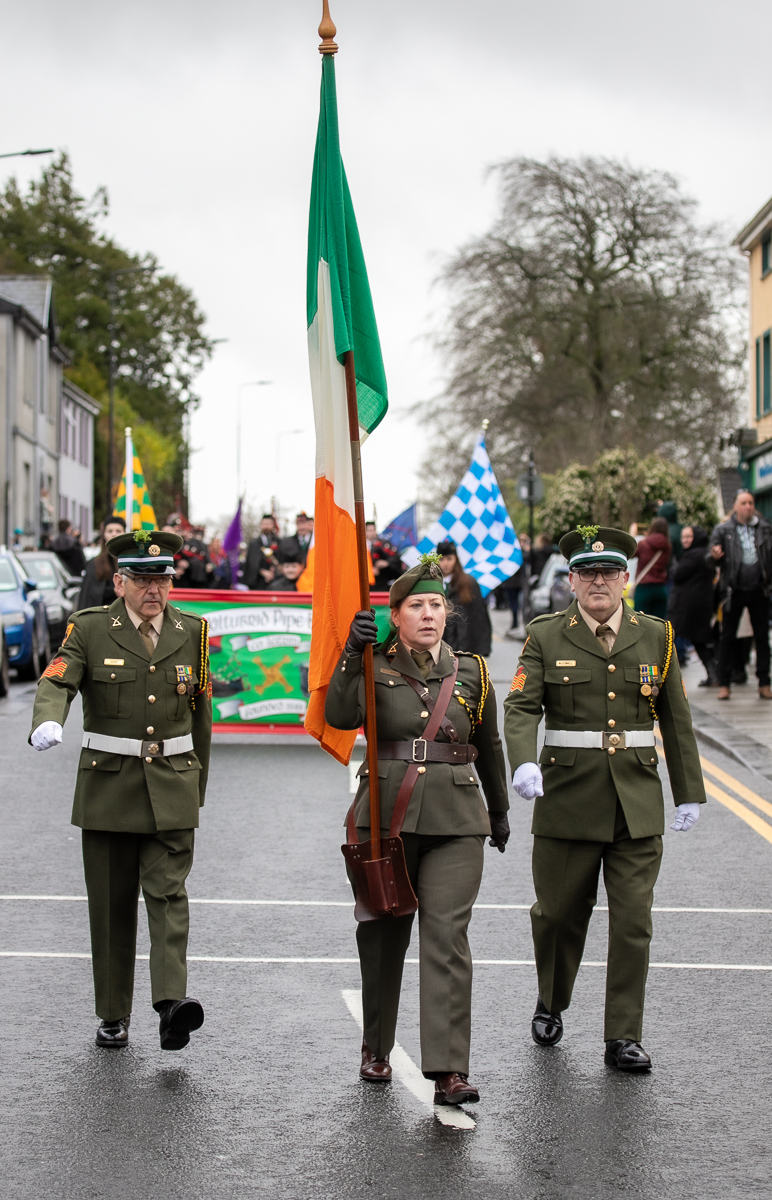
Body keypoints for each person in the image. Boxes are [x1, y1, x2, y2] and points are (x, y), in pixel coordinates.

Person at [504, 525, 705, 1071]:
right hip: (567, 796)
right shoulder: (546, 635)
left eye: (609, 573)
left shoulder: (657, 636)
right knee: (558, 915)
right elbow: (521, 707)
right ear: (571, 581)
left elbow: (677, 721)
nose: (599, 582)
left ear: (625, 580)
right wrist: (523, 760)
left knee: (634, 919)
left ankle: (623, 1034)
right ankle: (552, 999)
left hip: (636, 800)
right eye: (588, 573)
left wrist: (688, 792)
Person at [324, 556, 510, 1106]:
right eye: (416, 606)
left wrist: (498, 812)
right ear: (396, 615)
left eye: (436, 606)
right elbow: (338, 714)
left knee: (447, 936)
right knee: (383, 934)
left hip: (457, 821)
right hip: (386, 817)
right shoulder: (371, 660)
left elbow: (491, 746)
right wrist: (348, 656)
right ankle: (377, 1046)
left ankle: (449, 1070)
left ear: (447, 613)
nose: (428, 615)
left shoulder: (472, 670)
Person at [28, 529, 212, 1052]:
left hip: (172, 787)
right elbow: (57, 680)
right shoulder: (91, 629)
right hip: (109, 787)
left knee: (169, 896)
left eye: (162, 578)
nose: (154, 589)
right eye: (142, 579)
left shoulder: (191, 633)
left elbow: (202, 720)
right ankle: (113, 1013)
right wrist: (48, 719)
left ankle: (171, 1005)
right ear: (119, 580)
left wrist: (197, 788)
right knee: (110, 907)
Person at [710, 490, 772, 701]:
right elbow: (710, 558)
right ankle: (724, 684)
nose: (748, 506)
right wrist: (714, 555)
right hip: (733, 591)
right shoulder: (724, 529)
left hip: (759, 590)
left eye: (751, 503)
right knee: (728, 637)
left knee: (762, 638)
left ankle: (764, 682)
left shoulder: (764, 528)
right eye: (744, 503)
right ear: (735, 507)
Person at [667, 526, 718, 687]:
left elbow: (677, 574)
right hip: (700, 604)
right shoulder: (703, 554)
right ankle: (714, 674)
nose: (685, 540)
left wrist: (674, 568)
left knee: (669, 636)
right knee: (699, 640)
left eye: (689, 536)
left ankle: (663, 674)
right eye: (684, 537)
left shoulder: (693, 556)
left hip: (688, 606)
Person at [436, 540, 492, 656]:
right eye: (441, 559)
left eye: (449, 559)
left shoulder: (468, 583)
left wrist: (482, 648)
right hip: (440, 645)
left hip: (465, 644)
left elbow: (479, 617)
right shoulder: (433, 583)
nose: (445, 563)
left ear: (456, 559)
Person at [77, 516, 127, 609]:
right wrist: (113, 591)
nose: (114, 534)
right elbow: (89, 595)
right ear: (104, 534)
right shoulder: (94, 564)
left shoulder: (130, 562)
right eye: (110, 531)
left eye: (118, 531)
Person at [631, 517, 671, 618]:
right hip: (661, 589)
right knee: (659, 625)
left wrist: (632, 536)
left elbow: (629, 554)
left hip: (644, 588)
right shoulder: (667, 546)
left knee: (641, 623)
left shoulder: (643, 544)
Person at [243, 516, 279, 589]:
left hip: (275, 582)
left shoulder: (278, 542)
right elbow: (251, 562)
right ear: (261, 525)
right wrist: (262, 572)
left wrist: (273, 572)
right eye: (264, 524)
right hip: (257, 582)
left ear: (273, 525)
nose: (266, 526)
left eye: (269, 524)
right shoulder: (253, 543)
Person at [365, 521, 403, 588]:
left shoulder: (383, 544)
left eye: (374, 530)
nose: (372, 533)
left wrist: (387, 562)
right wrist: (369, 570)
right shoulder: (358, 545)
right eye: (369, 530)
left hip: (381, 582)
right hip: (365, 582)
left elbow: (396, 557)